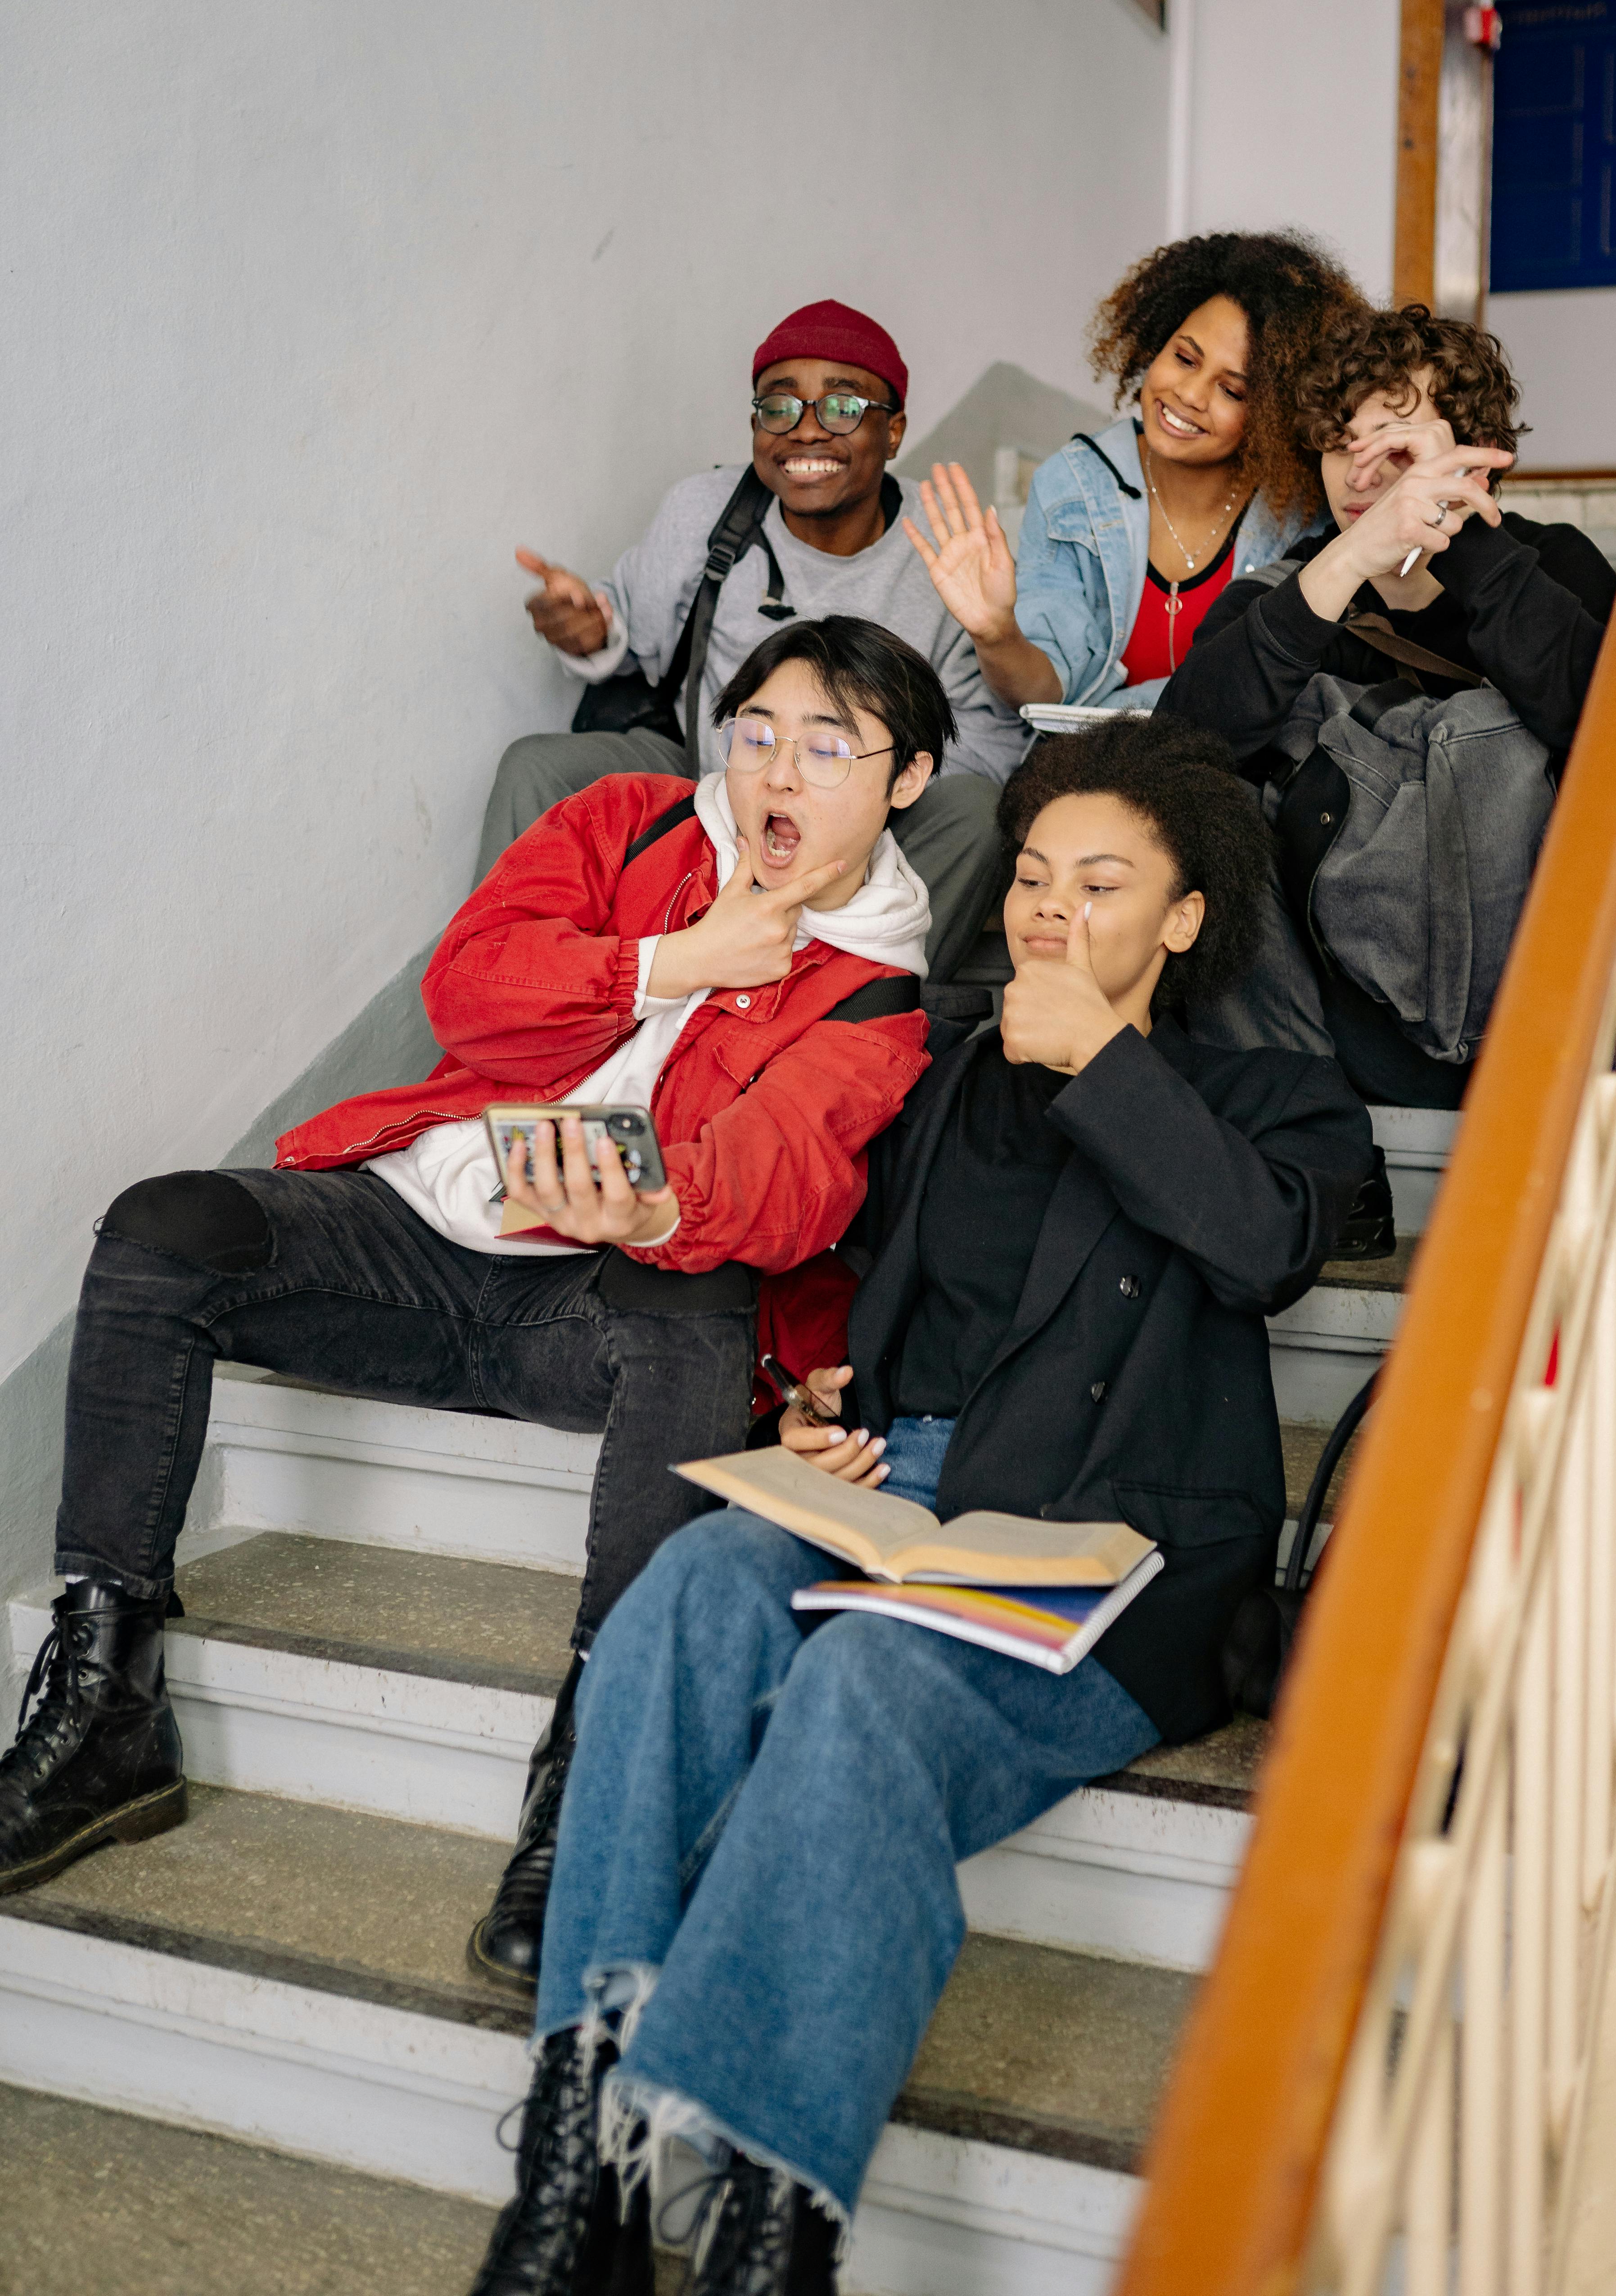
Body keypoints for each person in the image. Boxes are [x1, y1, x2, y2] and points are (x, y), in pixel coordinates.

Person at [466, 716, 1372, 2296]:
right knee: (684, 1590)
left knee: (866, 1680)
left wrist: (1104, 1060)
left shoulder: (1275, 1102)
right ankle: (583, 2144)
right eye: (1030, 877)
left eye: (1100, 885)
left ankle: (772, 2220)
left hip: (1107, 1536)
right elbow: (881, 1302)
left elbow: (1263, 1247)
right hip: (904, 1492)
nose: (1046, 910)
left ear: (1183, 918)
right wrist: (827, 1408)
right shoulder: (951, 1079)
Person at [0, 618, 950, 2007]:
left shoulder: (875, 985)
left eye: (827, 743)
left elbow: (794, 1177)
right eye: (754, 730)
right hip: (427, 1237)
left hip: (600, 1310)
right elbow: (472, 991)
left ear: (907, 777)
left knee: (695, 1300)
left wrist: (658, 1203)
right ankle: (104, 1700)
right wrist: (665, 962)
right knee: (167, 1229)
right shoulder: (628, 824)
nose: (776, 771)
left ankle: (594, 1799)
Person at [479, 298, 1027, 982]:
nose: (805, 431)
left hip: (868, 815)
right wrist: (594, 630)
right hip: (701, 777)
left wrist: (843, 801)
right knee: (535, 766)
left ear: (895, 432)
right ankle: (509, 992)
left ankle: (864, 1008)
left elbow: (993, 740)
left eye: (843, 407)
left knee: (975, 814)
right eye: (779, 407)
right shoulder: (706, 511)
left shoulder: (948, 543)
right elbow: (631, 632)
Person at [1162, 302, 1616, 1106]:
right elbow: (1180, 750)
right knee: (1197, 805)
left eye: (1395, 449)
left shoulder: (1549, 566)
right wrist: (1343, 567)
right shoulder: (1288, 591)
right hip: (1326, 1016)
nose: (1361, 474)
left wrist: (1463, 528)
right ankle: (1306, 1124)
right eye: (1340, 446)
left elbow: (1614, 739)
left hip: (1531, 1009)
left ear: (1472, 456)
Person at [900, 230, 1360, 716]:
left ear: (1274, 413)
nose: (1190, 394)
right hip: (1092, 766)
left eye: (1232, 391)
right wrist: (996, 634)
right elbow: (1042, 697)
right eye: (1184, 358)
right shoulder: (1070, 490)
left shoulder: (1302, 515)